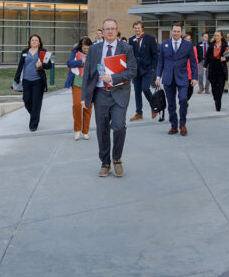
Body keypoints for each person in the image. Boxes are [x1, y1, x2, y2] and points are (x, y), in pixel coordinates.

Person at [80, 19, 136, 177]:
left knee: (119, 126)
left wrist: (113, 78)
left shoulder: (126, 48)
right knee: (102, 129)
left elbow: (132, 71)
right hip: (100, 94)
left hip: (119, 93)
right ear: (102, 32)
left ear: (117, 30)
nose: (110, 31)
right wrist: (85, 96)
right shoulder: (94, 49)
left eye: (113, 29)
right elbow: (88, 74)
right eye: (107, 29)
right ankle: (105, 163)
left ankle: (117, 159)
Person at [156, 22, 198, 136]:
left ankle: (182, 124)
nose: (176, 33)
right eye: (174, 31)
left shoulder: (188, 45)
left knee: (183, 100)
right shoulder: (165, 44)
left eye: (178, 31)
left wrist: (194, 77)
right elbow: (160, 62)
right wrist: (158, 76)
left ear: (181, 32)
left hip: (183, 77)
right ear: (171, 31)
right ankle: (173, 125)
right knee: (171, 104)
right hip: (168, 78)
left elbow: (194, 63)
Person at [13, 34, 53, 132]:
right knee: (27, 101)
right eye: (32, 40)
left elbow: (49, 66)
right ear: (30, 42)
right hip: (26, 81)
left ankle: (33, 125)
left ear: (39, 43)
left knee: (36, 103)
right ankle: (35, 115)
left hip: (38, 81)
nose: (34, 41)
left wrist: (42, 65)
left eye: (36, 40)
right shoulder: (24, 52)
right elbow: (20, 66)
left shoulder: (43, 52)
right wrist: (16, 79)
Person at [128, 21, 159, 121]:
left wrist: (153, 67)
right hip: (136, 70)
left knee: (145, 88)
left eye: (138, 28)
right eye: (135, 28)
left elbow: (155, 55)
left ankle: (154, 106)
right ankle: (138, 113)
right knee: (137, 91)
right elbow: (131, 55)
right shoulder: (131, 39)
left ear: (142, 28)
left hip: (147, 69)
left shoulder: (149, 38)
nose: (137, 29)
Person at [66, 36, 93, 140]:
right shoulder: (76, 53)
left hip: (90, 84)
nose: (86, 50)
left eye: (88, 48)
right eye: (85, 48)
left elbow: (99, 64)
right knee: (77, 105)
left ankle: (85, 131)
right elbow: (69, 63)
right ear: (81, 46)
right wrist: (81, 61)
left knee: (88, 107)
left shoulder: (94, 52)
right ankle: (77, 129)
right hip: (77, 82)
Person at [204, 30, 229, 112]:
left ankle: (218, 102)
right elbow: (207, 57)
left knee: (221, 87)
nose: (216, 37)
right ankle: (216, 98)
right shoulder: (211, 45)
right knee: (214, 87)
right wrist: (205, 66)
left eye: (218, 35)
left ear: (221, 36)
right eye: (215, 35)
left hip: (221, 68)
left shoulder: (225, 45)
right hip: (212, 67)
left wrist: (225, 58)